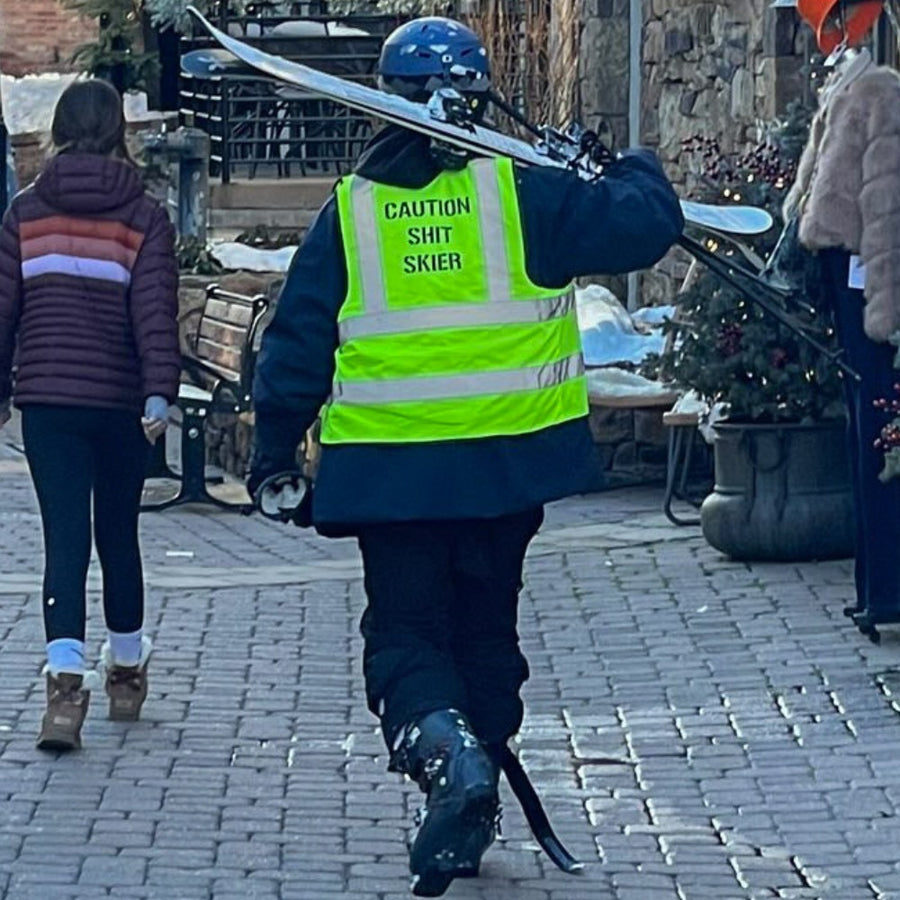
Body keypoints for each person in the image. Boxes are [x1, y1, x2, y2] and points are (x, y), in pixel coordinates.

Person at [247, 16, 683, 897]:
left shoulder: (354, 209)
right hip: (505, 471)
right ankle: (473, 771)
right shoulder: (522, 193)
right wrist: (630, 166)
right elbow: (644, 225)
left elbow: (294, 344)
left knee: (407, 635)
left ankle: (451, 762)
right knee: (487, 631)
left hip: (393, 474)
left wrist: (271, 453)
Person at [0, 80, 180, 750]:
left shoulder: (26, 213)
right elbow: (154, 313)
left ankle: (64, 694)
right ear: (118, 132)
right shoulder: (143, 216)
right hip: (120, 402)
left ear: (56, 130)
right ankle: (127, 673)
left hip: (48, 402)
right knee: (119, 536)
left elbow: (3, 312)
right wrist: (158, 392)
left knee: (64, 543)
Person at [785, 0, 900, 641]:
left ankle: (886, 586)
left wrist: (885, 307)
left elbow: (884, 208)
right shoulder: (852, 82)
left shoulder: (878, 88)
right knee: (865, 434)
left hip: (867, 285)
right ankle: (876, 586)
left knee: (879, 435)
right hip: (843, 275)